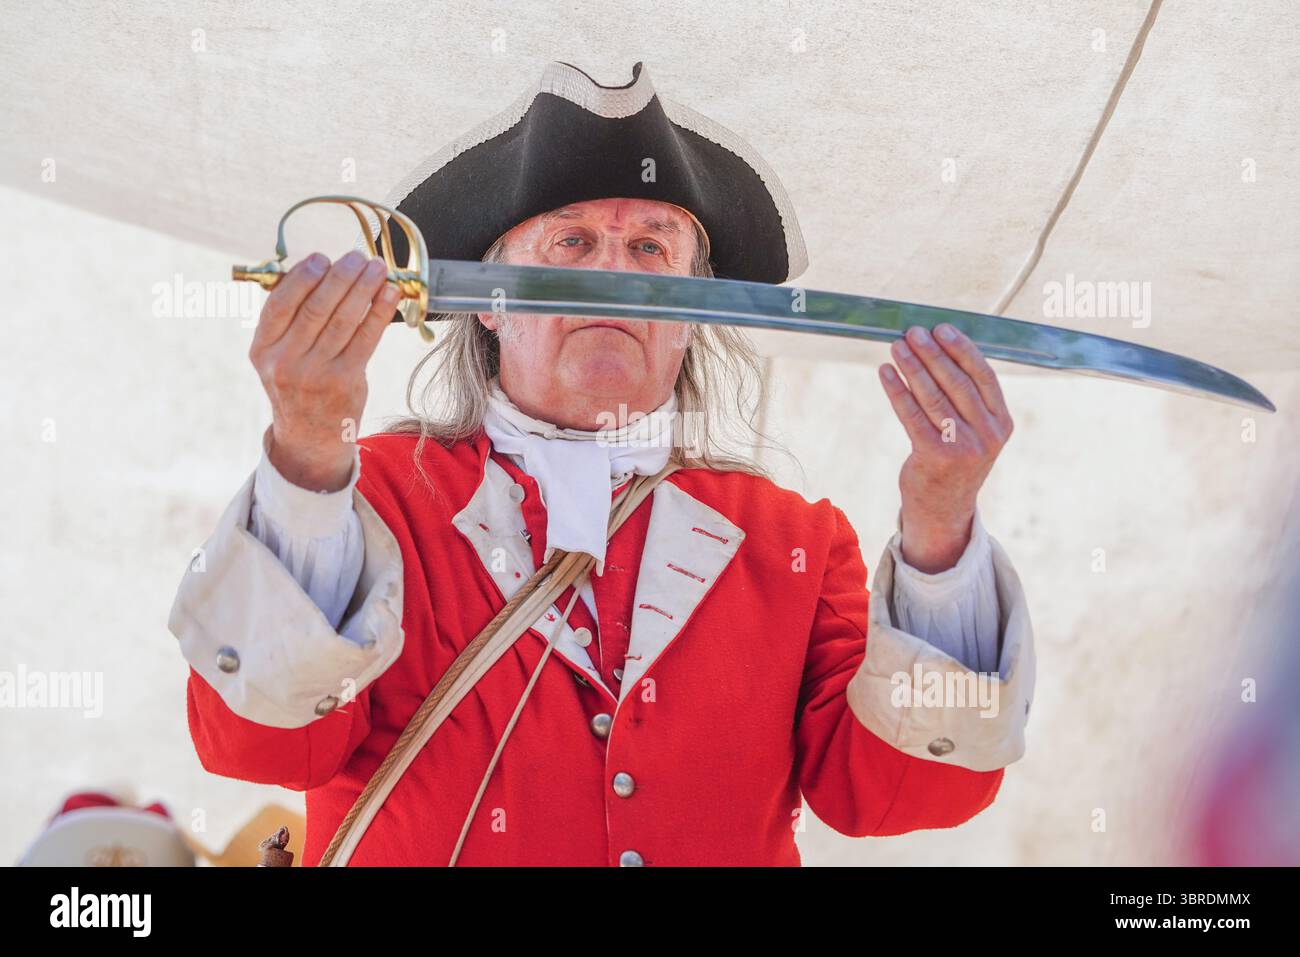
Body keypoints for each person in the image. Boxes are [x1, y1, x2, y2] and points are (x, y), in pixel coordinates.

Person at [169, 61, 1035, 866]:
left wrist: (940, 524)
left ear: (693, 314)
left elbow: (904, 789)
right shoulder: (372, 499)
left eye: (652, 248)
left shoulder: (792, 542)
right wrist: (306, 458)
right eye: (572, 243)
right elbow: (259, 743)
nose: (615, 273)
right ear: (488, 306)